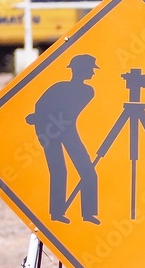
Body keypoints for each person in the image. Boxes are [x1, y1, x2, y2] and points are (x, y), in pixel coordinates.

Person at [26, 54, 100, 224]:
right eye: (90, 69)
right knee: (59, 171)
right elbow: (41, 106)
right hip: (49, 131)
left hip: (65, 130)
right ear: (81, 70)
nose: (93, 73)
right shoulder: (59, 87)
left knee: (88, 171)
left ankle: (89, 214)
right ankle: (57, 213)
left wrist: (41, 118)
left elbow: (66, 111)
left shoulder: (87, 91)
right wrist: (41, 122)